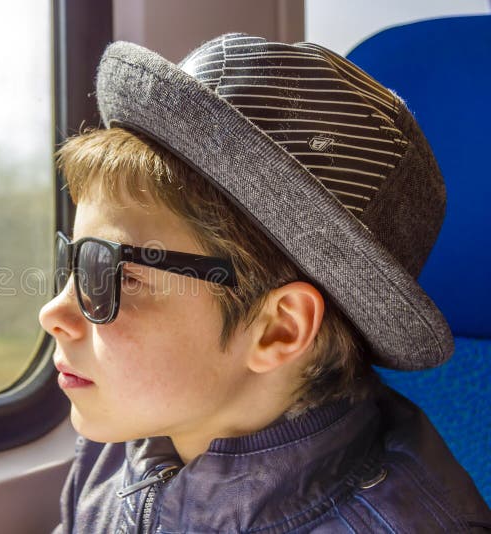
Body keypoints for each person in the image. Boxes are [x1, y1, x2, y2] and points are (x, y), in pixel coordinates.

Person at [38, 33, 491, 533]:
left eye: (109, 273)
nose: (52, 312)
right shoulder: (118, 451)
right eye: (73, 263)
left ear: (278, 328)